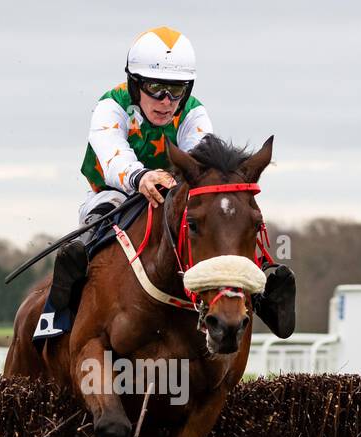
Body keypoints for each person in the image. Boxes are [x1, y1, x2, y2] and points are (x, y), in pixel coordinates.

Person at [36, 27, 296, 341]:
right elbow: (111, 153)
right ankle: (60, 308)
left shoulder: (193, 112)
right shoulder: (110, 106)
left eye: (177, 90)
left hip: (171, 195)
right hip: (114, 194)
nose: (166, 101)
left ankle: (259, 291)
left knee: (216, 220)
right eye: (156, 88)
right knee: (101, 213)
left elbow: (200, 160)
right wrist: (139, 176)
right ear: (135, 84)